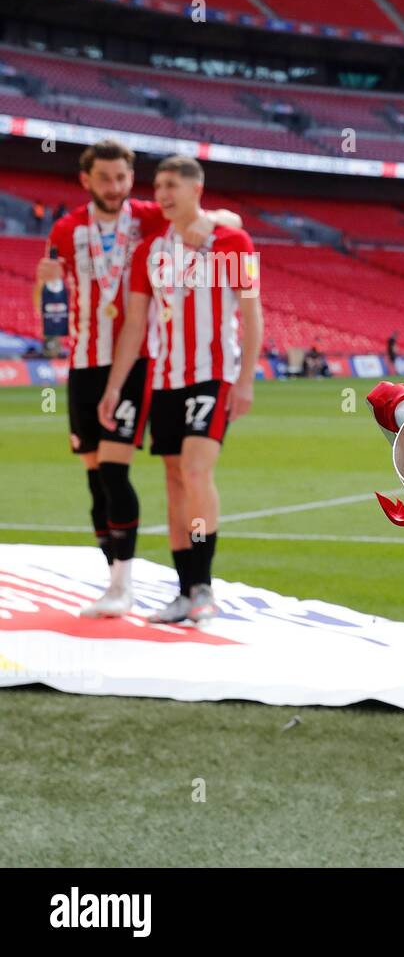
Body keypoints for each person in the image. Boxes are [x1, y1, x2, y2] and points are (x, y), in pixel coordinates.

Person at [34, 139, 238, 617]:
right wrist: (44, 283)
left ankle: (128, 585)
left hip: (135, 363)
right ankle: (115, 581)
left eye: (122, 177)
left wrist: (221, 222)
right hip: (85, 363)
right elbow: (50, 311)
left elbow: (213, 217)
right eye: (104, 178)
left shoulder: (148, 217)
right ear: (85, 180)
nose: (115, 187)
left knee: (115, 469)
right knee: (94, 480)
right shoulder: (65, 230)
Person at [98, 155, 262, 624]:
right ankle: (185, 589)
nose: (163, 194)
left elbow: (251, 314)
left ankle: (203, 585)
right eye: (159, 186)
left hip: (212, 375)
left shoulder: (232, 241)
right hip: (164, 378)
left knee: (194, 469)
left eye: (173, 185)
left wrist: (246, 379)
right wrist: (115, 387)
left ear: (197, 188)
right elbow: (134, 325)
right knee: (173, 479)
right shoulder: (150, 249)